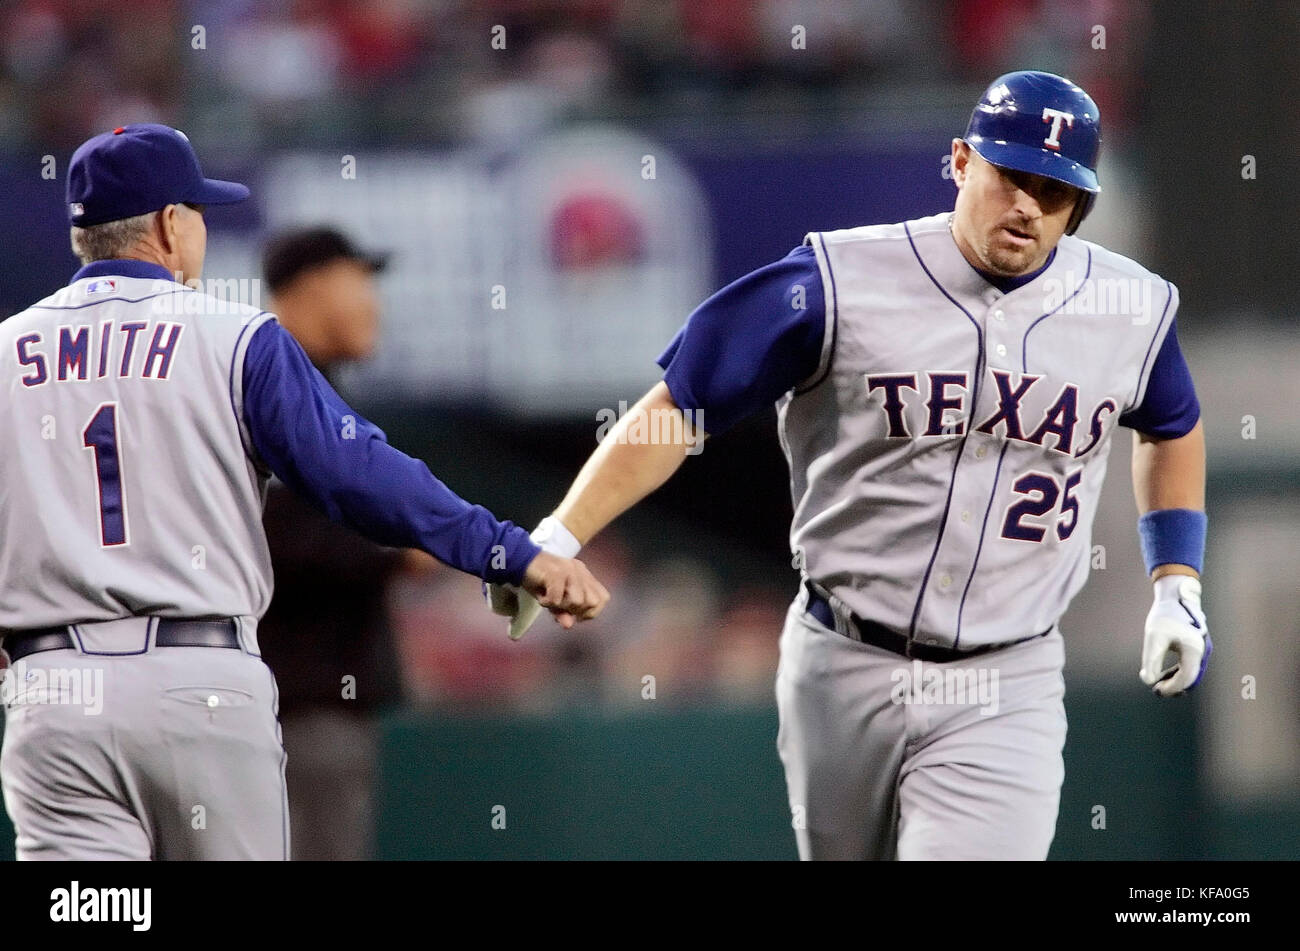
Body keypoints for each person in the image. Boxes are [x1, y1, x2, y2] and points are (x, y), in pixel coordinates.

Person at [488, 71, 1210, 860]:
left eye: (1055, 190)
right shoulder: (840, 281)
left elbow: (1172, 422)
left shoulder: (1128, 308)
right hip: (843, 656)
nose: (1028, 207)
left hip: (1010, 676)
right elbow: (680, 407)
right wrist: (561, 532)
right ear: (964, 162)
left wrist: (1177, 582)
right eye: (1011, 176)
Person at [0, 123, 607, 861]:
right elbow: (361, 475)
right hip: (200, 679)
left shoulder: (6, 352)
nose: (199, 229)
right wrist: (508, 552)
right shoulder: (235, 337)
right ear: (167, 223)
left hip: (52, 691)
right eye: (197, 211)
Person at [256, 226, 410, 861]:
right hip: (295, 701)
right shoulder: (274, 386)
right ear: (315, 285)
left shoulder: (303, 386)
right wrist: (395, 553)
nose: (373, 302)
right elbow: (276, 544)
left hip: (293, 701)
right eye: (360, 281)